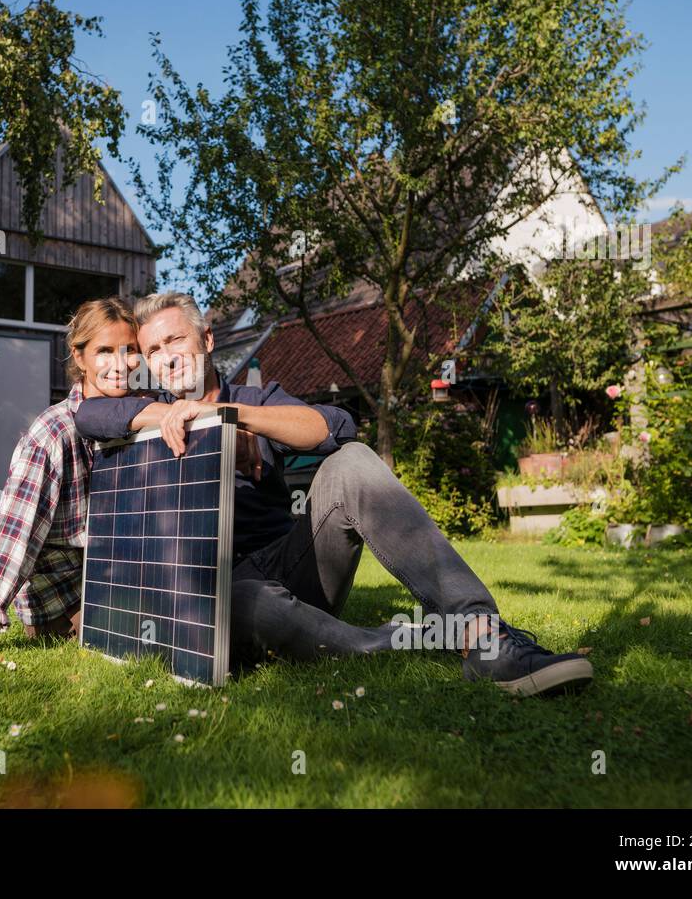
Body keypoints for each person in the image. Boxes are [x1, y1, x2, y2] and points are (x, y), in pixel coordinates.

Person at [75, 291, 594, 697]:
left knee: (352, 463)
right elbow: (91, 414)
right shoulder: (148, 415)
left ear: (208, 341)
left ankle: (484, 635)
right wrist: (174, 417)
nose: (166, 357)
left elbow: (337, 425)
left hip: (293, 564)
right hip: (217, 594)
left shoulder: (258, 400)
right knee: (249, 601)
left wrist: (230, 419)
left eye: (176, 341)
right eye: (153, 350)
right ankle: (401, 643)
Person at [0, 297, 140, 662]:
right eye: (104, 351)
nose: (119, 364)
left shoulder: (141, 420)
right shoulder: (54, 434)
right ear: (79, 358)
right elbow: (14, 535)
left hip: (114, 576)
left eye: (129, 351)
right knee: (135, 639)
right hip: (63, 595)